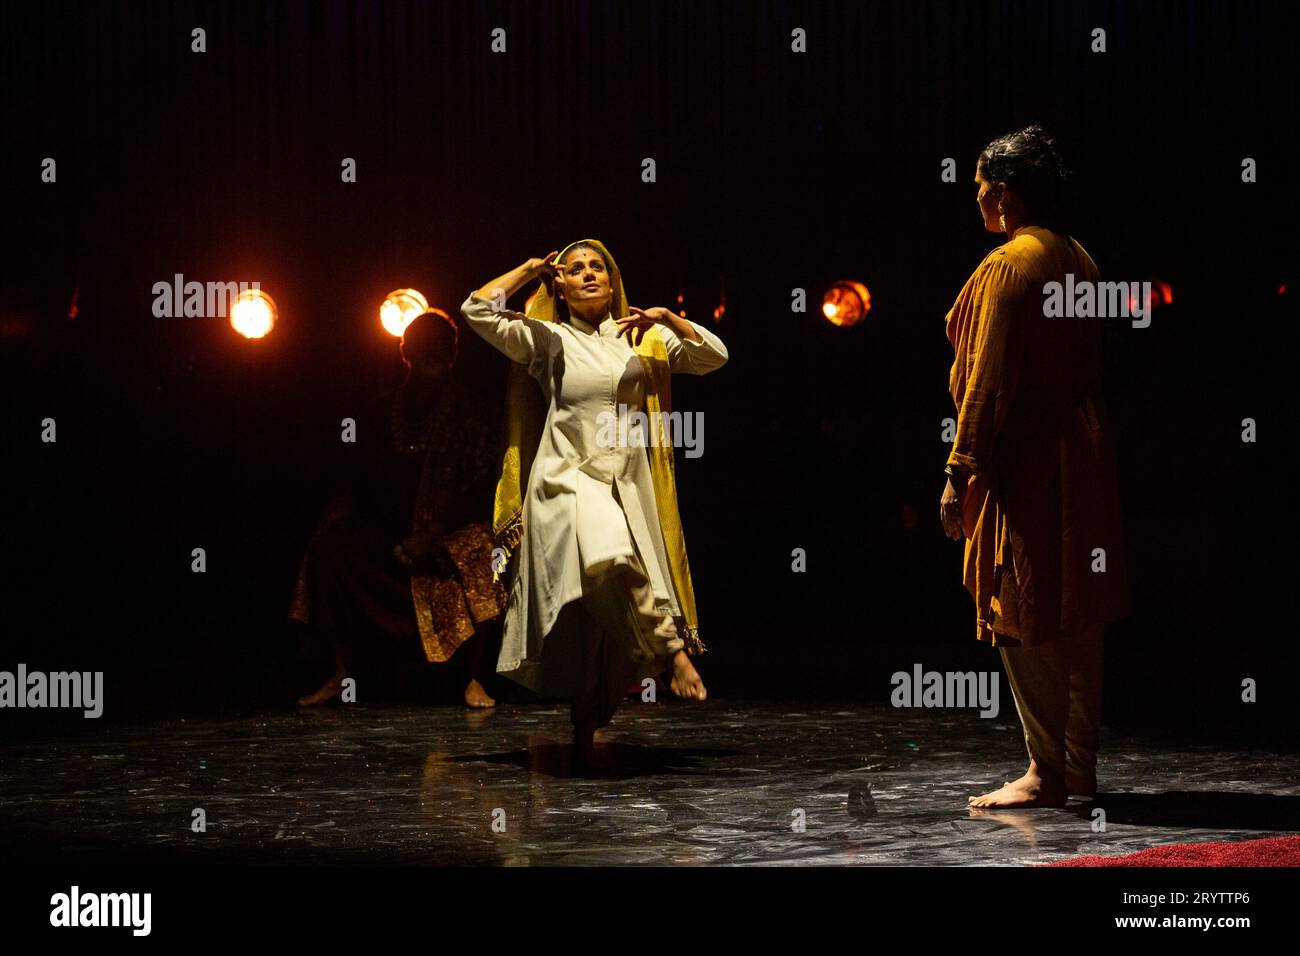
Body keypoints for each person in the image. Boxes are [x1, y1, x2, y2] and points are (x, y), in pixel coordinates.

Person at [460, 239, 726, 768]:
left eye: (596, 266)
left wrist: (668, 318)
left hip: (625, 485)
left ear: (612, 278)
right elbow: (476, 310)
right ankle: (674, 653)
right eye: (575, 268)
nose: (586, 274)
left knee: (597, 622)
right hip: (565, 481)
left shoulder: (643, 341)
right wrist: (528, 270)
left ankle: (586, 724)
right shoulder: (547, 340)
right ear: (560, 285)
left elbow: (713, 356)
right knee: (613, 559)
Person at [939, 126, 1130, 809]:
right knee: (1079, 605)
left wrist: (961, 471)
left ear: (1005, 193)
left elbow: (989, 383)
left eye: (981, 186)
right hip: (1084, 447)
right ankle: (1078, 768)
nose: (977, 198)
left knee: (1020, 602)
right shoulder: (1079, 258)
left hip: (1028, 458)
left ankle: (1048, 770)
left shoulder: (1010, 264)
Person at [289, 309, 505, 709]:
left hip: (447, 536)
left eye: (440, 347)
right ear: (405, 351)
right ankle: (341, 670)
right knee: (330, 545)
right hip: (391, 536)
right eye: (422, 346)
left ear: (454, 353)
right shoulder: (378, 411)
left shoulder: (476, 414)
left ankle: (477, 678)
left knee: (483, 550)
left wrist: (431, 533)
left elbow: (481, 487)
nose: (431, 354)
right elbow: (357, 481)